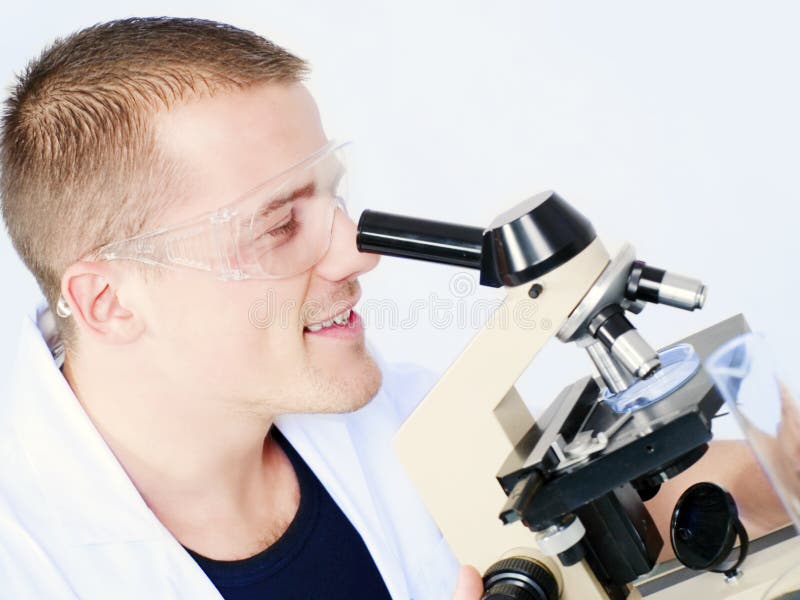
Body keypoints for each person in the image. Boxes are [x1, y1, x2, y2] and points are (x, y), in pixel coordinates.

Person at [0, 16, 788, 600]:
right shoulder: (25, 560)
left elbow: (698, 494)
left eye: (332, 198)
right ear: (108, 301)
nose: (357, 253)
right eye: (279, 225)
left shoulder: (401, 421)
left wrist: (779, 456)